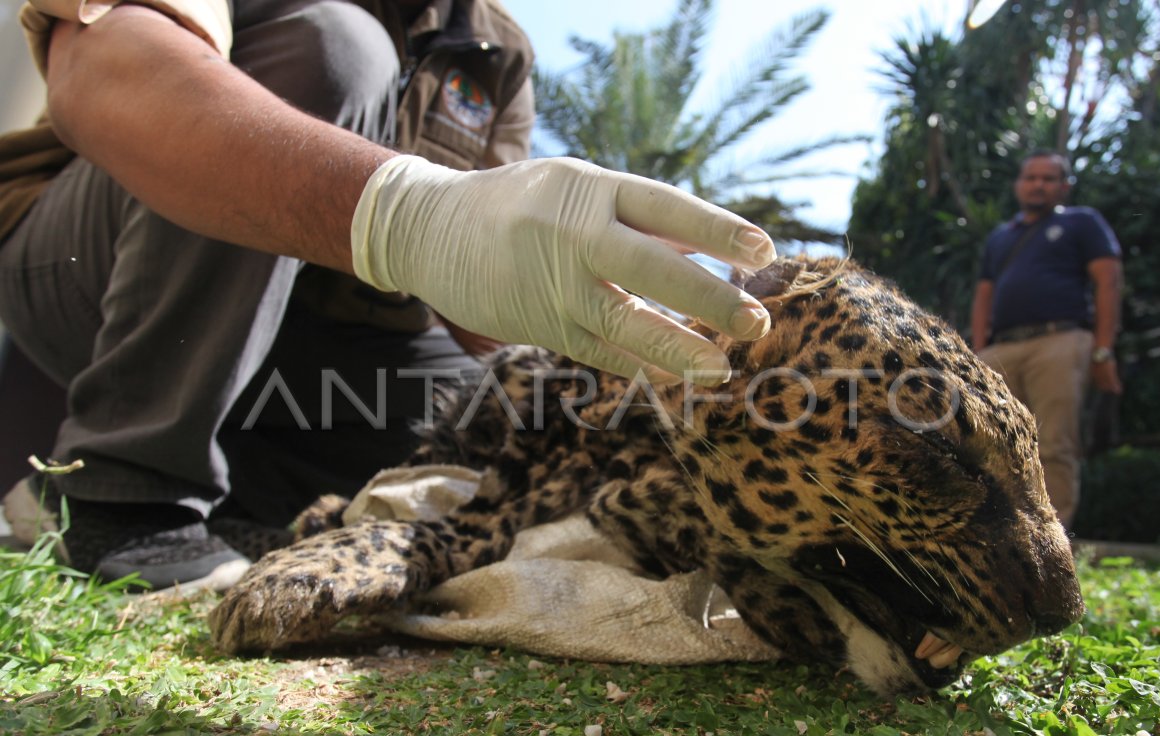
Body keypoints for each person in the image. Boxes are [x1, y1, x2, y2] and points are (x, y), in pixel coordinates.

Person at [0, 0, 778, 588]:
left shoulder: (498, 49)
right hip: (88, 266)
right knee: (337, 48)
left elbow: (484, 293)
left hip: (315, 338)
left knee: (495, 422)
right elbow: (91, 67)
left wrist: (599, 320)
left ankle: (216, 507)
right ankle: (121, 498)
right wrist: (408, 213)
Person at [970, 149, 1122, 528]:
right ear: (1018, 184)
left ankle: (1054, 538)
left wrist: (1103, 350)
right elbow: (985, 293)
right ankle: (1003, 535)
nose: (1038, 184)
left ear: (1064, 186)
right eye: (1031, 177)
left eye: (1048, 178)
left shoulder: (1081, 223)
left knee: (1054, 442)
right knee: (991, 444)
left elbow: (1109, 281)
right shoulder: (1000, 237)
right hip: (1001, 347)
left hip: (1061, 340)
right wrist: (978, 351)